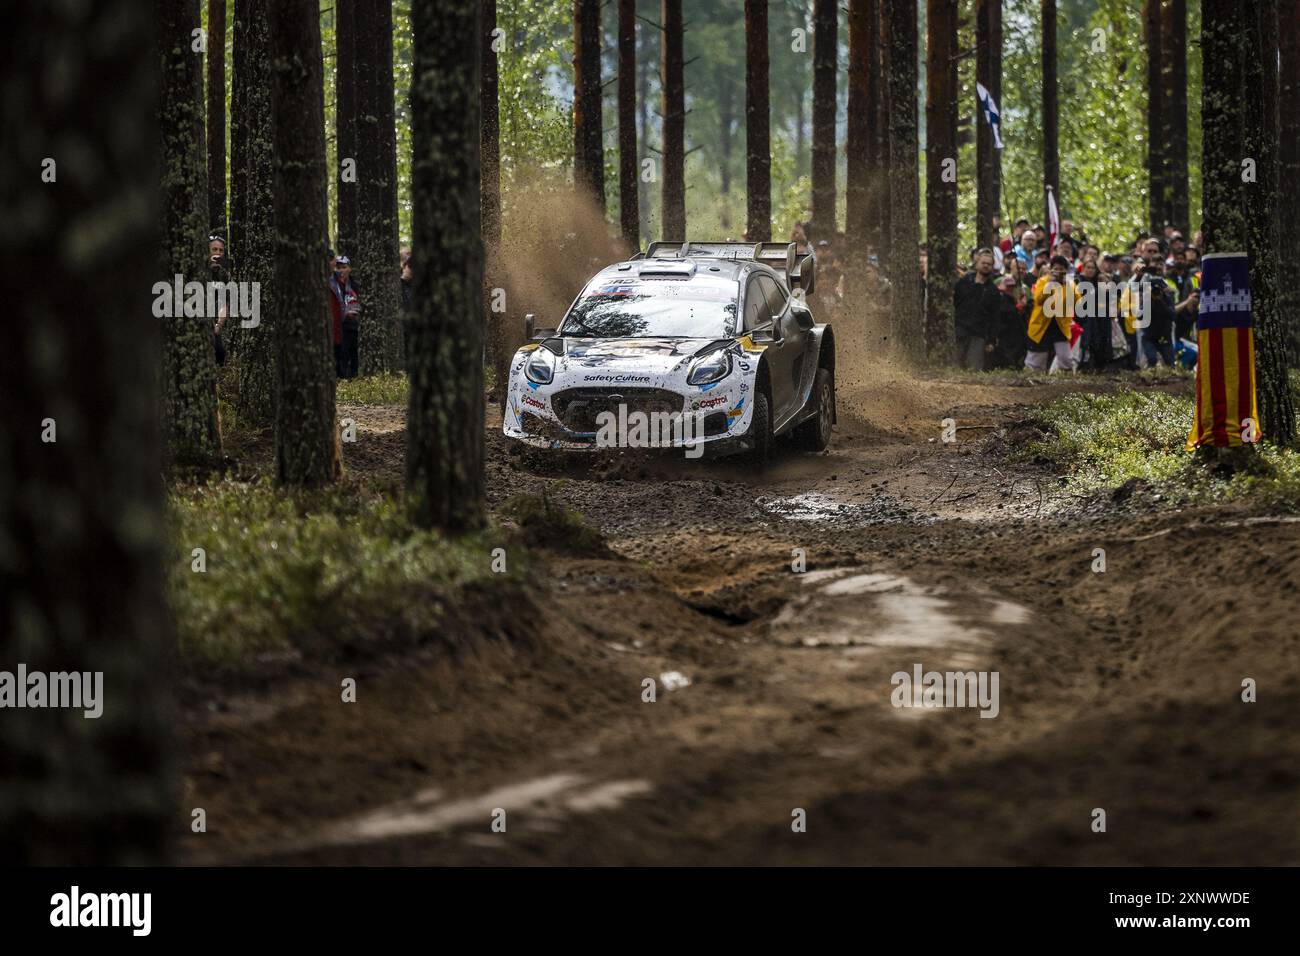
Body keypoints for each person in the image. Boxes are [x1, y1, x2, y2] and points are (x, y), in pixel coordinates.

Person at [1025, 255, 1078, 372]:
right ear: (1051, 269)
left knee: (1066, 359)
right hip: (1042, 324)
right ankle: (1032, 380)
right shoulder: (1043, 281)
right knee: (1036, 360)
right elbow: (1038, 299)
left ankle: (1066, 381)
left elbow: (1077, 301)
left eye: (1062, 269)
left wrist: (1066, 285)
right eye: (1056, 269)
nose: (1059, 272)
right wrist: (1050, 284)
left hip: (1060, 325)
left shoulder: (1070, 284)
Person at [952, 248, 1000, 370]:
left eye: (989, 264)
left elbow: (995, 317)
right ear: (977, 263)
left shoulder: (993, 290)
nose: (986, 266)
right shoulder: (963, 283)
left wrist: (991, 341)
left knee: (974, 368)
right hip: (960, 330)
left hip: (979, 334)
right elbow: (954, 303)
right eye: (983, 263)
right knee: (956, 366)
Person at [330, 255, 361, 378]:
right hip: (339, 327)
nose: (341, 270)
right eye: (338, 267)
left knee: (354, 357)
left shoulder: (355, 285)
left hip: (353, 327)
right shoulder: (332, 284)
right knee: (341, 357)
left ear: (350, 268)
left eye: (344, 267)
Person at [989, 273, 1028, 369]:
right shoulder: (1000, 299)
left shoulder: (1014, 300)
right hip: (1004, 340)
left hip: (1016, 340)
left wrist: (1022, 307)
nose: (1010, 289)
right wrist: (1018, 307)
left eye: (1012, 287)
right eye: (1008, 287)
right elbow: (1003, 314)